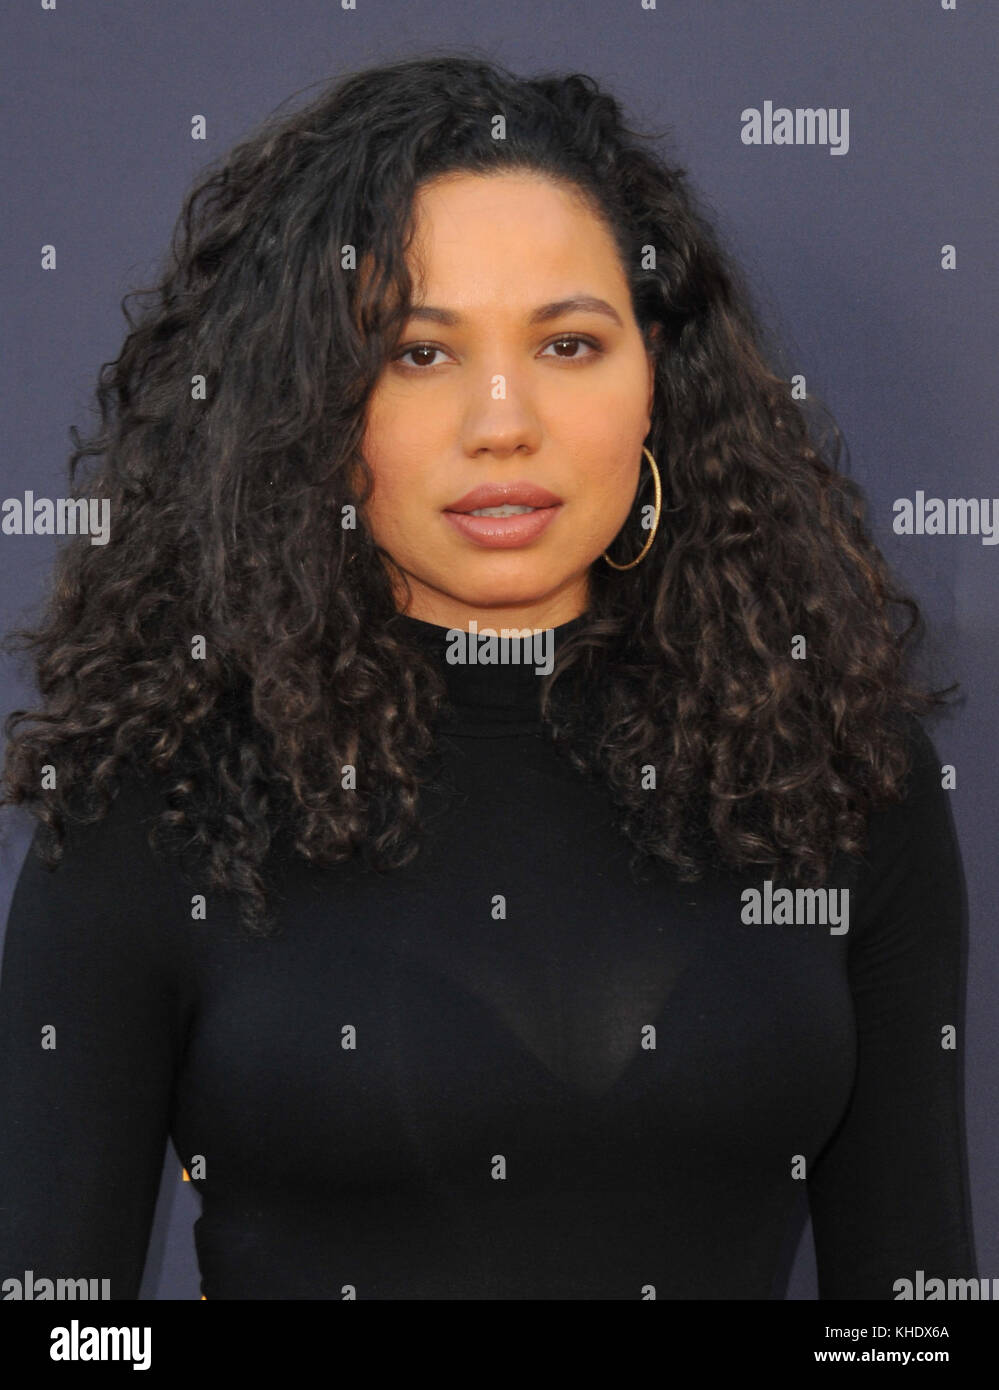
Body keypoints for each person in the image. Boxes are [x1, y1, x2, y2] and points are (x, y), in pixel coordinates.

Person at [0, 53, 977, 1301]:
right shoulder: (152, 803)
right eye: (419, 352)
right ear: (310, 404)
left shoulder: (839, 774)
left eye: (569, 342)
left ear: (657, 383)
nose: (502, 417)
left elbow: (916, 1312)